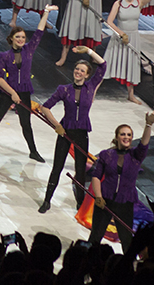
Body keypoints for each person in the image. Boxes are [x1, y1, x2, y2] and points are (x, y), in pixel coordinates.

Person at [0, 6, 55, 162]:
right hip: (8, 93)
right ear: (11, 38)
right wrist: (12, 93)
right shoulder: (4, 55)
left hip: (24, 92)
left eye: (23, 37)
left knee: (26, 124)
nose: (21, 40)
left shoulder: (29, 50)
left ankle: (33, 151)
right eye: (18, 37)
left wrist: (46, 12)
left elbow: (39, 32)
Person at [37, 46, 107, 214]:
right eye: (77, 69)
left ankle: (80, 203)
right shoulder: (64, 89)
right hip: (65, 132)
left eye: (82, 70)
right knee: (57, 168)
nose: (78, 72)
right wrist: (57, 125)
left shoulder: (91, 86)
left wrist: (88, 51)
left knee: (81, 171)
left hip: (82, 132)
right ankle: (47, 201)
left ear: (87, 74)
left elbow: (103, 65)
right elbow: (45, 107)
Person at [88, 111, 154, 252]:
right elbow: (96, 176)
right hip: (105, 200)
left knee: (126, 240)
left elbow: (144, 144)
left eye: (129, 135)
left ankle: (128, 270)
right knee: (95, 237)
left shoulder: (136, 155)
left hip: (125, 202)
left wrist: (148, 124)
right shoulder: (106, 155)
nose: (126, 137)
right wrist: (98, 196)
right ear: (116, 137)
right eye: (123, 134)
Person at [104, 0, 154, 104]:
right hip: (119, 38)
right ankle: (93, 91)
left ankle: (131, 95)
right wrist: (121, 34)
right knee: (106, 65)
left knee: (131, 65)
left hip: (133, 38)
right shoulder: (118, 3)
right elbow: (109, 22)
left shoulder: (139, 3)